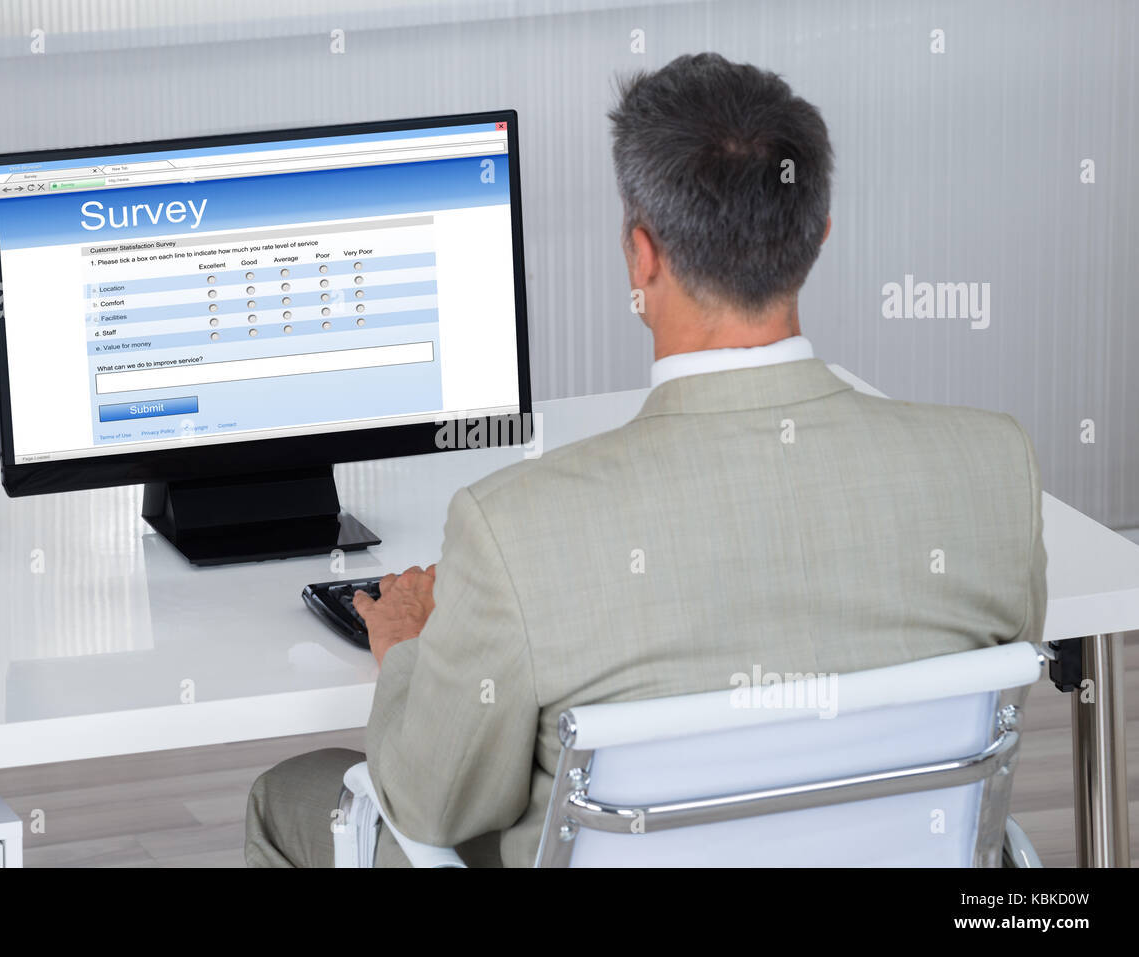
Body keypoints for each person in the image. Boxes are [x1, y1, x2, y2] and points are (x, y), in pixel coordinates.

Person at [245, 52, 1047, 868]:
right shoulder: (994, 470)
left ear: (642, 255)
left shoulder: (511, 526)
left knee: (287, 795)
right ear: (818, 238)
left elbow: (433, 803)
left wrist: (408, 650)